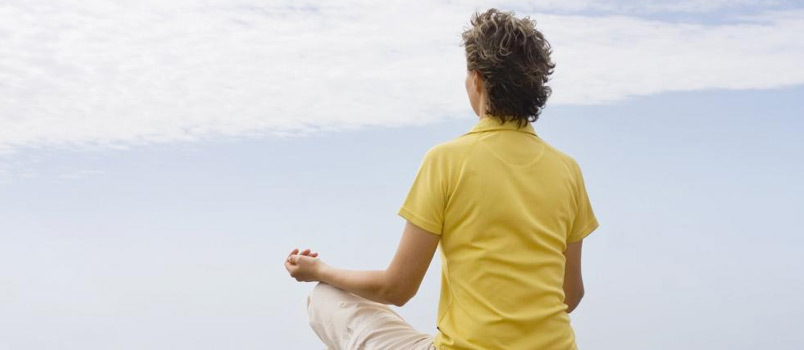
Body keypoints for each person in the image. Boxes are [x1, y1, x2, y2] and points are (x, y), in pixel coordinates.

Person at [284, 8, 598, 350]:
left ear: (478, 79)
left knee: (324, 297)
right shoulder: (567, 170)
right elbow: (571, 293)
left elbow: (397, 288)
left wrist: (319, 270)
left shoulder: (447, 160)